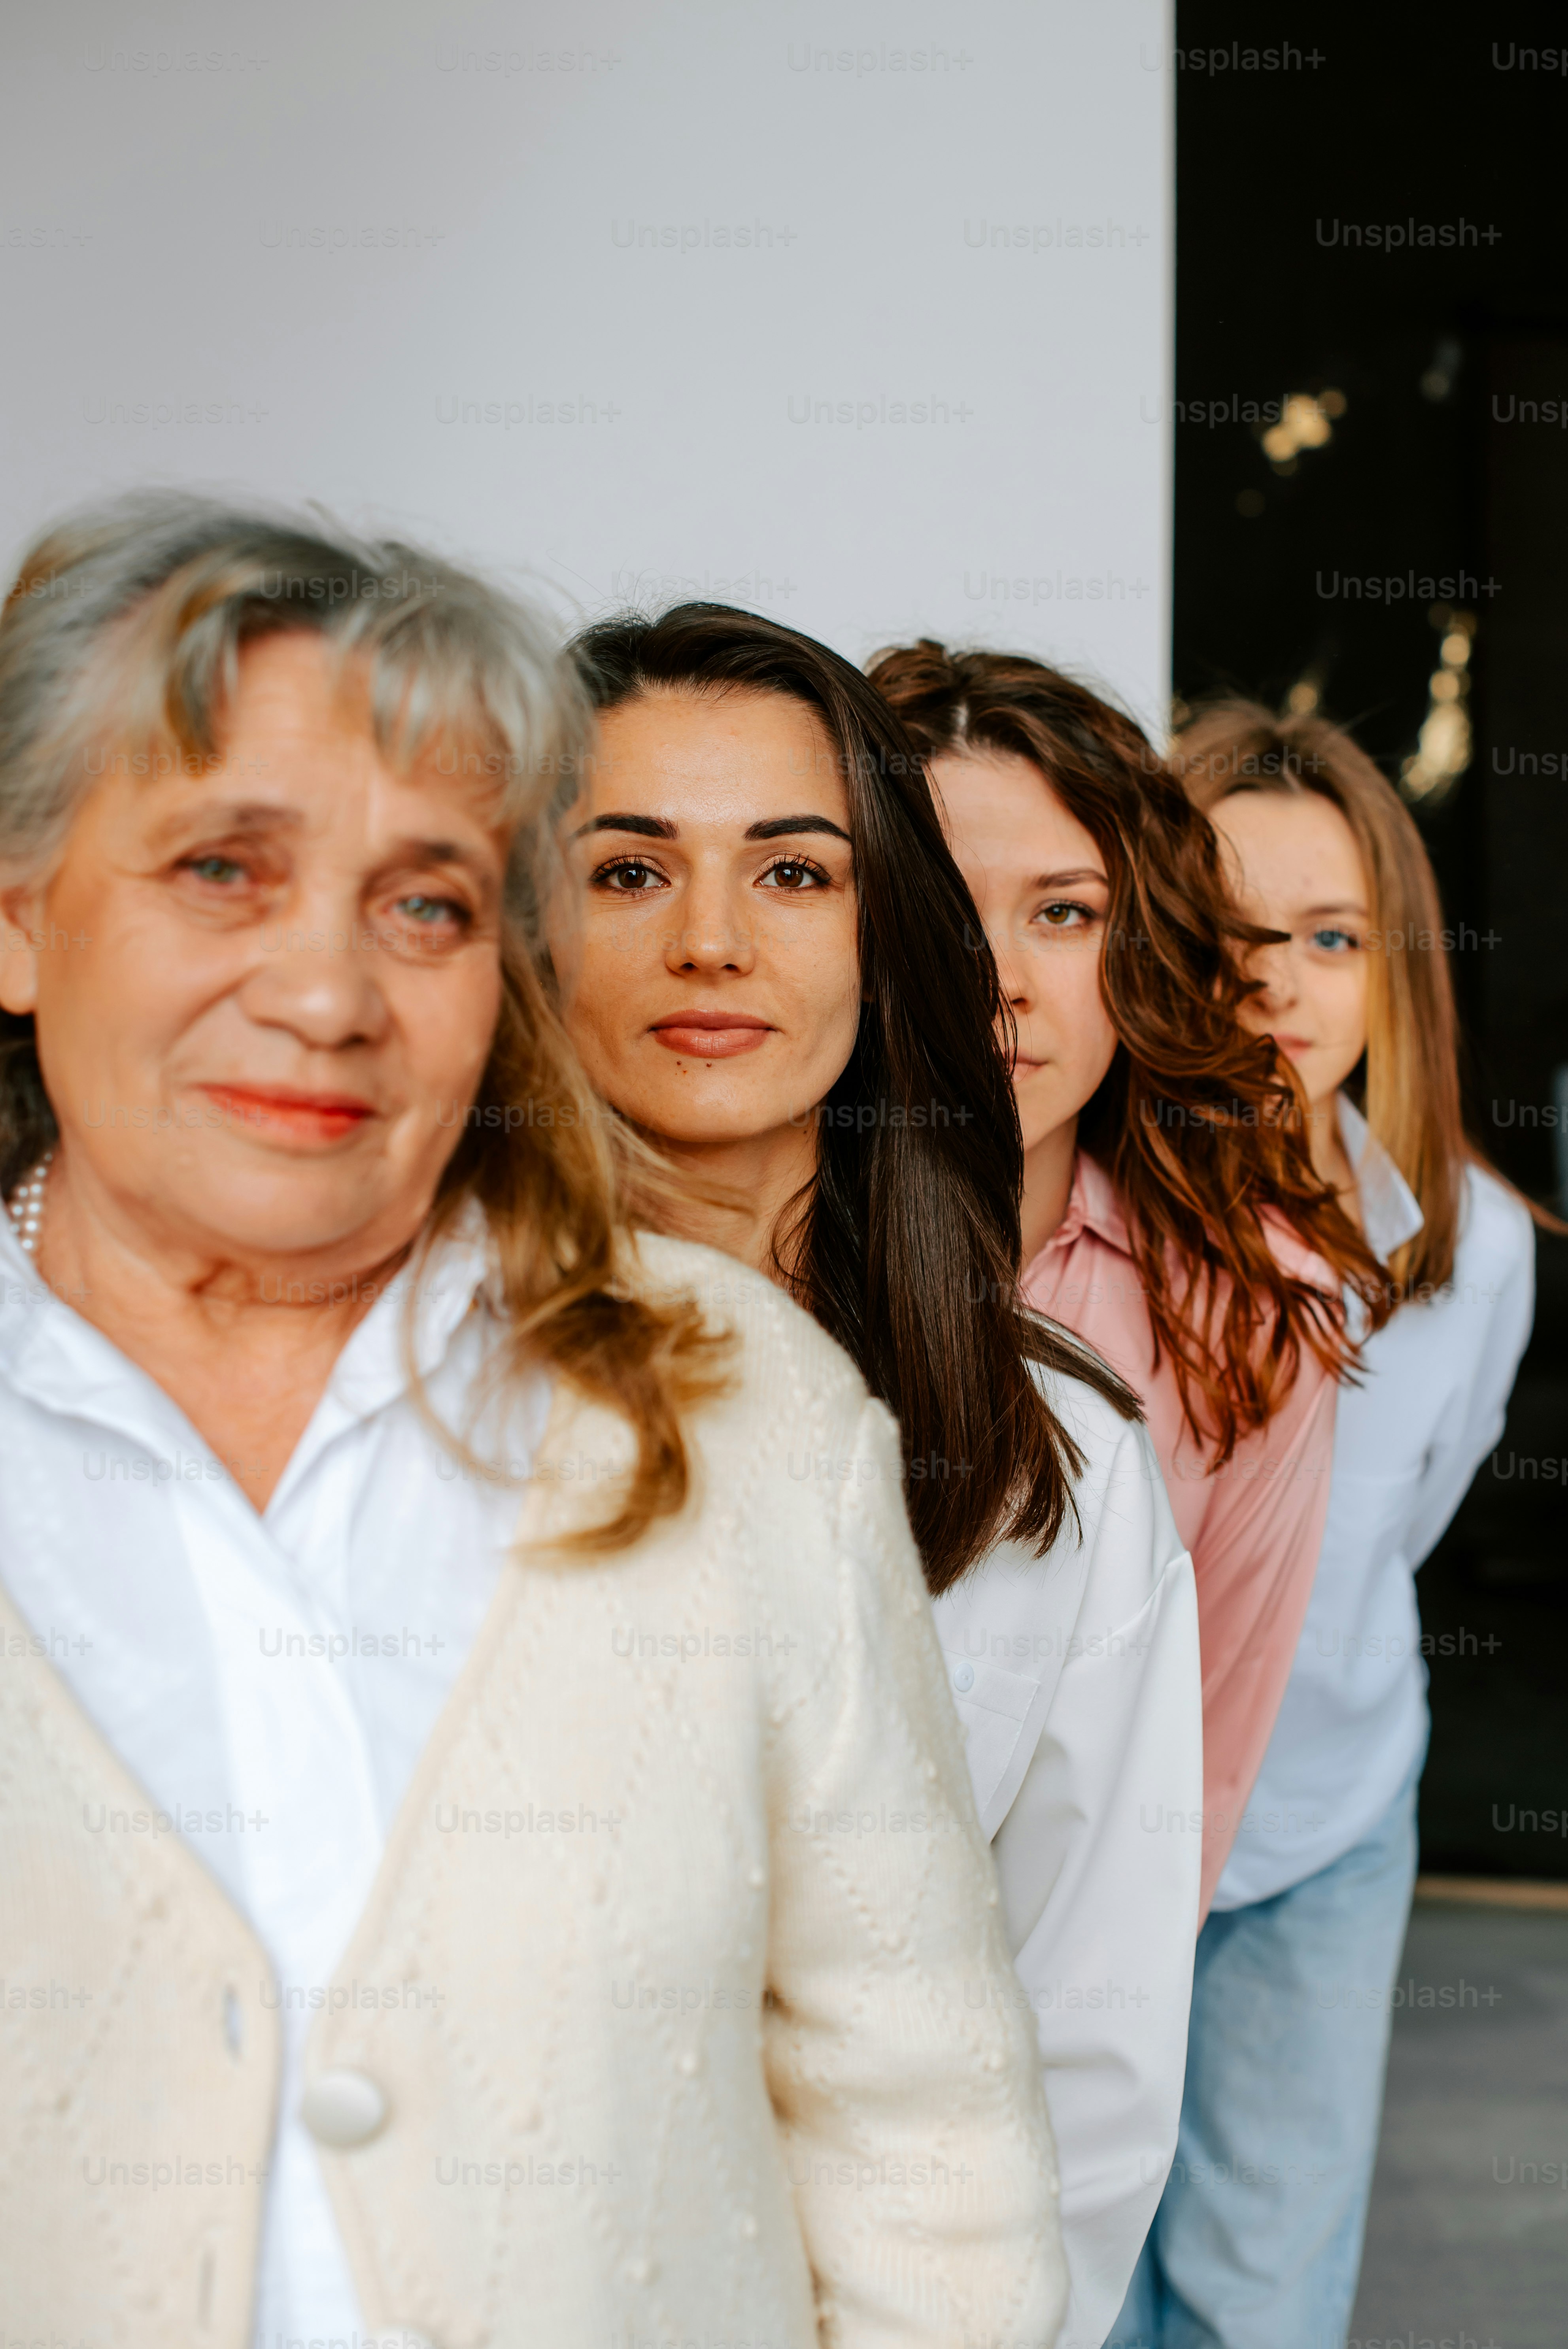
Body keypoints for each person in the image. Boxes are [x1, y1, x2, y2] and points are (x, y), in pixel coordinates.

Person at [0, 497, 1067, 2349]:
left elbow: (929, 2161)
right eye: (223, 871)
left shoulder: (744, 1412)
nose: (329, 994)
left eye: (423, 901)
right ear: (20, 918)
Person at [554, 601, 1205, 2349]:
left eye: (791, 874)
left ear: (878, 931)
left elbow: (1085, 2040)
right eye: (624, 871)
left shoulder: (1055, 1456)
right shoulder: (387, 1392)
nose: (709, 941)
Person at [1104, 700, 1540, 2349]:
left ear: (1391, 969)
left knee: (1259, 2284)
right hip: (1090, 1839)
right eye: (1221, 939)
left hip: (1319, 1822)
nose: (1273, 982)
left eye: (1328, 936)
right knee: (1056, 2272)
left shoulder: (1471, 1247)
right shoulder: (1056, 1227)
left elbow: (1397, 1524)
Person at [866, 642, 1391, 1936]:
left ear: (1138, 953)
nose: (1000, 981)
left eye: (1065, 912)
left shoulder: (1254, 1316)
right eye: (940, 907)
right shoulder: (716, 1261)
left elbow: (1190, 1785)